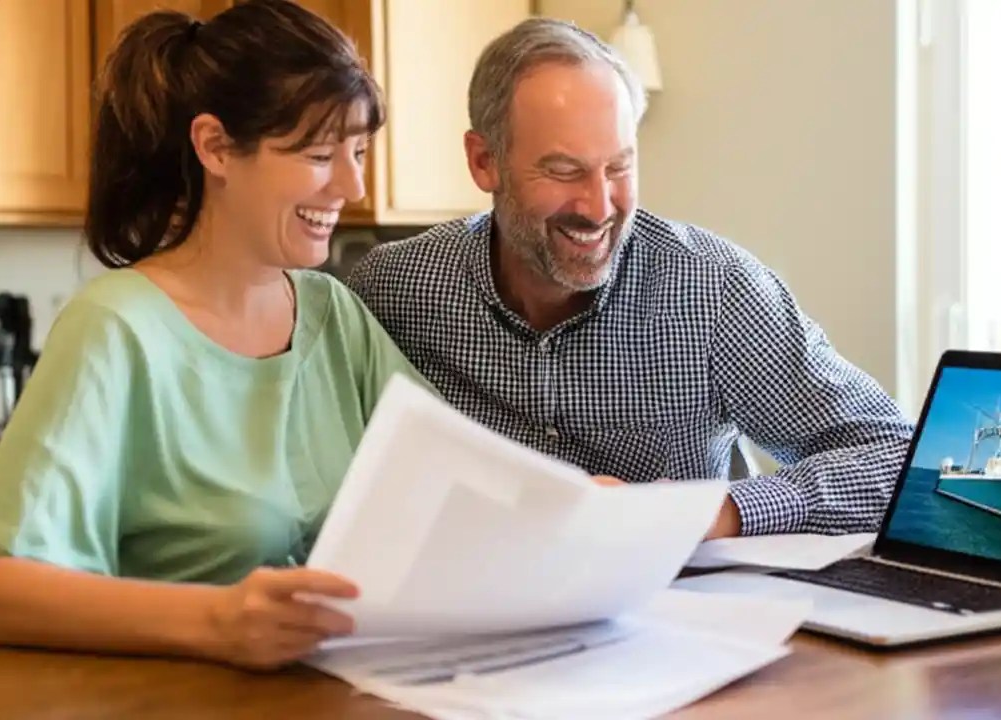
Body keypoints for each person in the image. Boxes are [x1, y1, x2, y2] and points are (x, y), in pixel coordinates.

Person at [0, 0, 425, 670]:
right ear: (214, 147)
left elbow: (446, 490)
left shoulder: (335, 316)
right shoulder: (116, 329)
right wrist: (217, 621)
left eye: (358, 152)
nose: (352, 185)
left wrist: (567, 511)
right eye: (322, 153)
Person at [346, 18, 916, 541]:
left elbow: (894, 457)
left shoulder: (715, 289)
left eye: (619, 167)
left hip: (679, 628)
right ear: (483, 162)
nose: (599, 207)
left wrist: (718, 509)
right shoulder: (393, 292)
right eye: (563, 170)